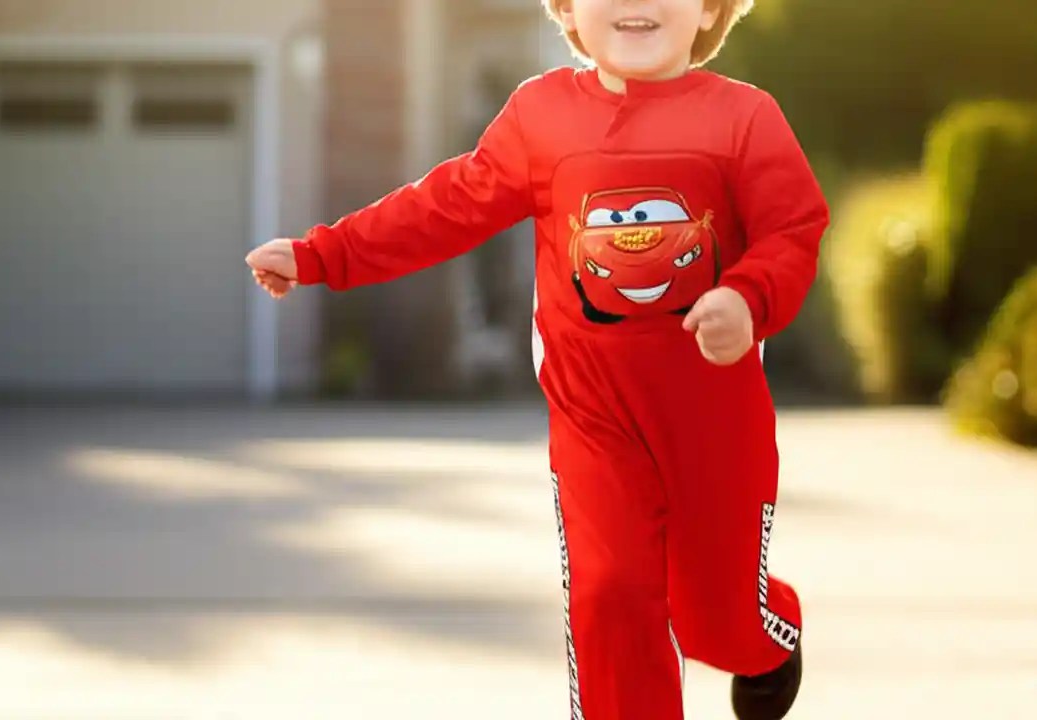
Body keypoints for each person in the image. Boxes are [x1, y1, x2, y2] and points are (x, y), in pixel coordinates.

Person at [245, 1, 830, 717]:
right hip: (596, 422)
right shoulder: (542, 116)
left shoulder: (744, 118)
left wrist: (746, 298)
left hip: (711, 423)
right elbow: (443, 208)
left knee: (714, 618)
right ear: (566, 9)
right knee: (611, 598)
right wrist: (322, 254)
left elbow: (792, 230)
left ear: (709, 6)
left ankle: (769, 634)